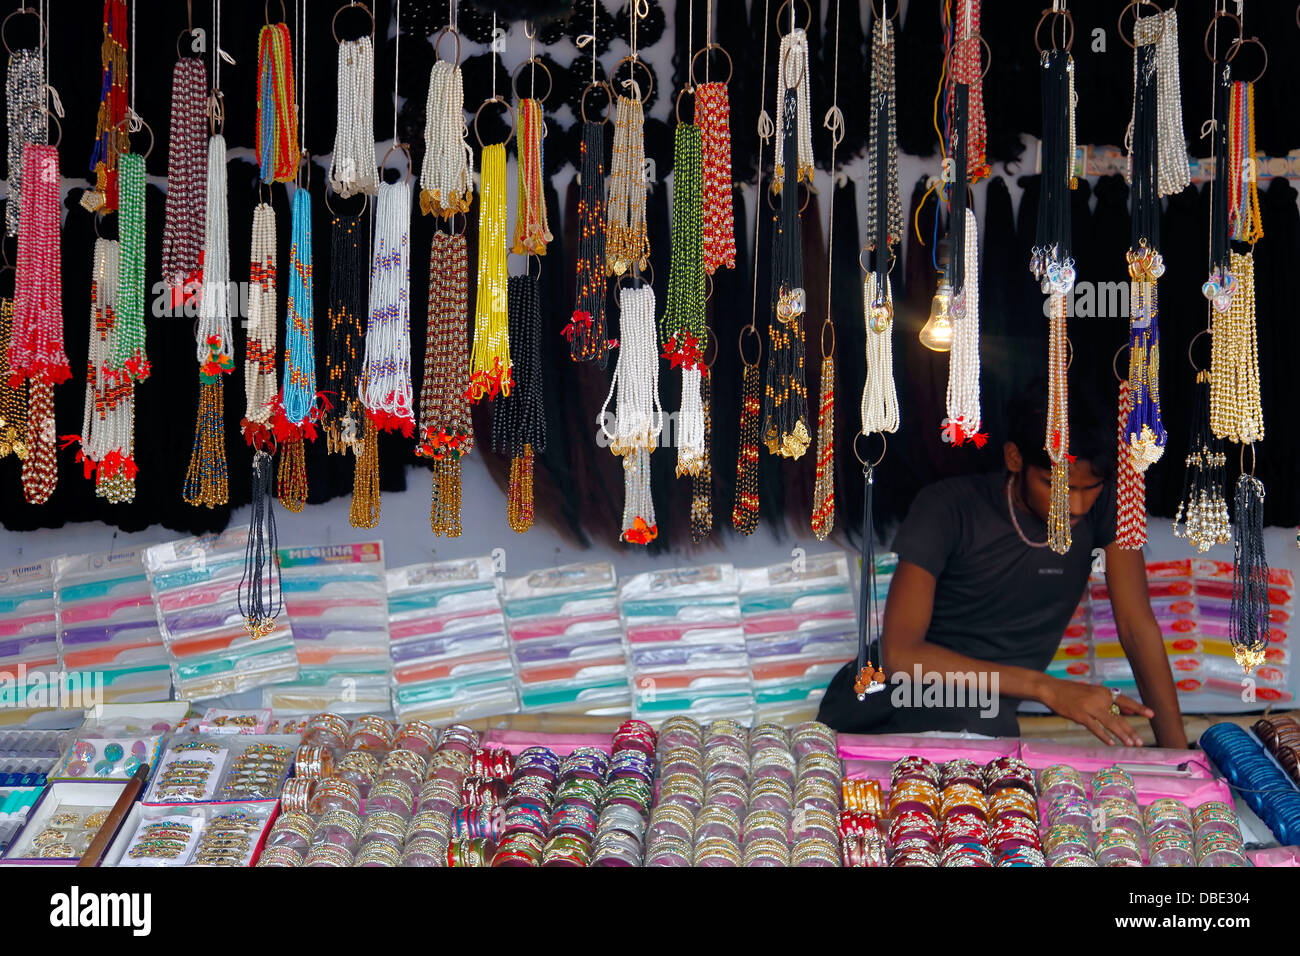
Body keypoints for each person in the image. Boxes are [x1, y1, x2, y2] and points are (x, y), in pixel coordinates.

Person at [818, 379, 1188, 749]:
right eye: (1054, 485)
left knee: (990, 721)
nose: (1075, 506)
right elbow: (899, 656)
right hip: (884, 701)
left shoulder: (1107, 507)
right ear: (1014, 459)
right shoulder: (948, 508)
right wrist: (1046, 689)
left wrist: (1179, 757)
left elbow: (1137, 627)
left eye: (1088, 488)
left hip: (982, 713)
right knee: (989, 725)